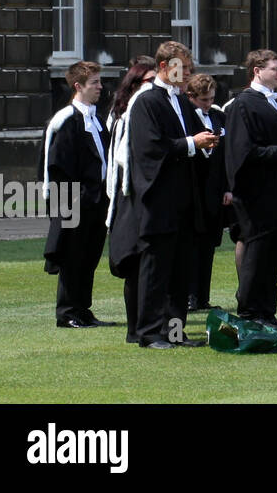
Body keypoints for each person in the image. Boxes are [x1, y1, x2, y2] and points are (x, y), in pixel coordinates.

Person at [126, 40, 216, 349]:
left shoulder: (181, 102)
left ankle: (175, 331)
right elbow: (151, 148)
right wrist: (193, 144)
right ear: (164, 67)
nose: (187, 72)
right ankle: (150, 332)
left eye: (189, 67)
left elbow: (193, 143)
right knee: (155, 271)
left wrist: (204, 145)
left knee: (181, 273)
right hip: (159, 199)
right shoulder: (146, 102)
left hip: (184, 199)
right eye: (182, 67)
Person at [223, 49, 277, 327]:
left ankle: (267, 311)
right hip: (256, 192)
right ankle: (251, 312)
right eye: (274, 68)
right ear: (257, 71)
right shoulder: (244, 104)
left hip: (276, 190)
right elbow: (243, 153)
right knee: (258, 252)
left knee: (273, 254)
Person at [43, 60, 112, 329]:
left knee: (89, 257)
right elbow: (59, 167)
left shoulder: (95, 119)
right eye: (94, 82)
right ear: (78, 86)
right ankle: (68, 312)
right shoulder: (67, 121)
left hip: (96, 202)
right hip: (75, 202)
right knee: (72, 259)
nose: (100, 87)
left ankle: (83, 310)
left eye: (99, 81)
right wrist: (76, 201)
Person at [104, 56, 157, 343]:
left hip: (140, 193)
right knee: (134, 263)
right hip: (129, 195)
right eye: (149, 81)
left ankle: (151, 326)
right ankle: (135, 329)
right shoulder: (126, 117)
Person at [183, 73, 228, 315]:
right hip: (193, 187)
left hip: (214, 187)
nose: (207, 104)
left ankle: (203, 296)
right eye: (203, 100)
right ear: (191, 97)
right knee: (192, 243)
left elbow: (226, 153)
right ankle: (190, 295)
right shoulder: (186, 117)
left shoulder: (219, 116)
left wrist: (227, 187)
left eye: (211, 99)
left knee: (209, 243)